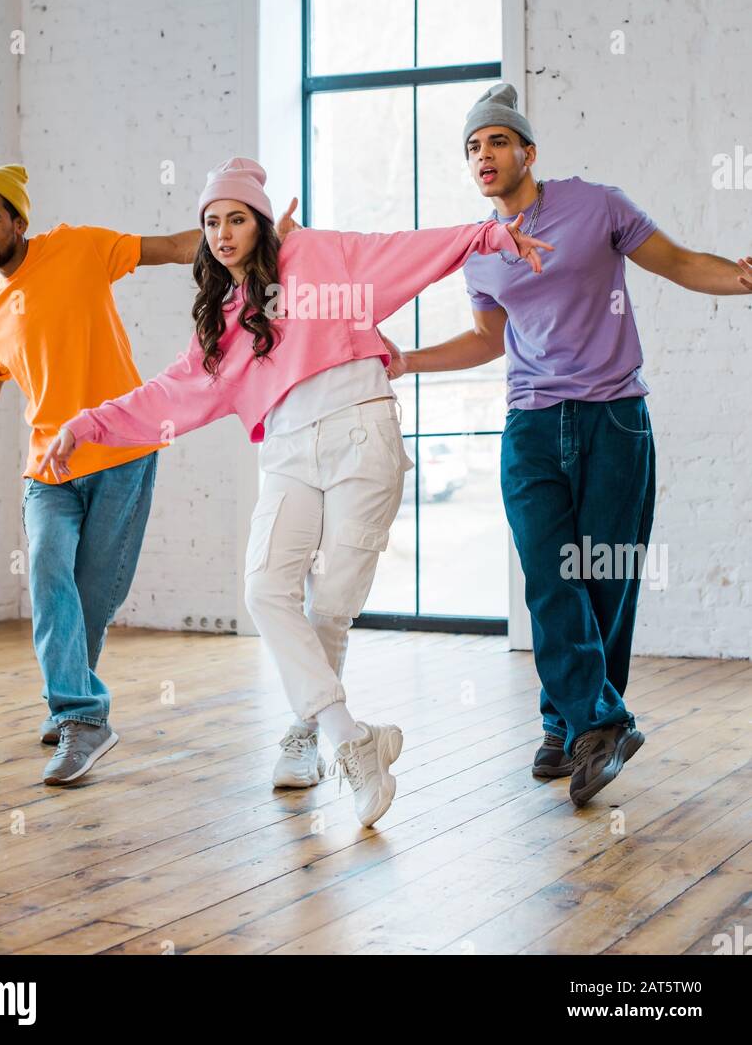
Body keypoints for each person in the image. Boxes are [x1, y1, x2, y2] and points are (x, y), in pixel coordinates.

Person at [41, 156, 552, 826]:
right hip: (285, 448)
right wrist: (88, 423)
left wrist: (487, 236)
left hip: (360, 429)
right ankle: (349, 738)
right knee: (265, 589)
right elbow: (168, 392)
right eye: (210, 223)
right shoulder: (222, 316)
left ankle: (307, 735)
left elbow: (397, 253)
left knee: (331, 605)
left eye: (235, 219)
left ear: (258, 221)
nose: (222, 234)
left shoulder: (315, 254)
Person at [382, 83, 752, 808]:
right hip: (530, 426)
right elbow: (489, 340)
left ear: (527, 151)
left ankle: (564, 724)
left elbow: (676, 261)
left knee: (604, 578)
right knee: (551, 577)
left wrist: (742, 279)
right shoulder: (481, 251)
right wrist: (408, 361)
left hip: (612, 418)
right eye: (470, 146)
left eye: (494, 140)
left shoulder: (596, 205)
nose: (481, 155)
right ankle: (599, 723)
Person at [0, 163, 296, 786]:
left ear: (20, 221)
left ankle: (71, 699)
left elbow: (176, 246)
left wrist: (261, 238)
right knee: (49, 571)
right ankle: (82, 714)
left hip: (125, 451)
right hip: (48, 468)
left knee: (94, 594)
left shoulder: (78, 246)